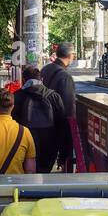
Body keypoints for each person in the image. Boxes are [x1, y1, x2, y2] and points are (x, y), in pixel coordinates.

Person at [12, 66, 65, 172]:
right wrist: (63, 155)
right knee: (44, 176)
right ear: (42, 80)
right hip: (49, 147)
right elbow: (63, 127)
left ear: (23, 80)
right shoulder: (54, 97)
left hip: (24, 145)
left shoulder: (16, 97)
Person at [40, 42, 77, 171]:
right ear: (70, 55)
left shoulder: (45, 69)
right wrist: (66, 144)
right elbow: (68, 111)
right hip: (55, 128)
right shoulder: (65, 77)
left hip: (41, 123)